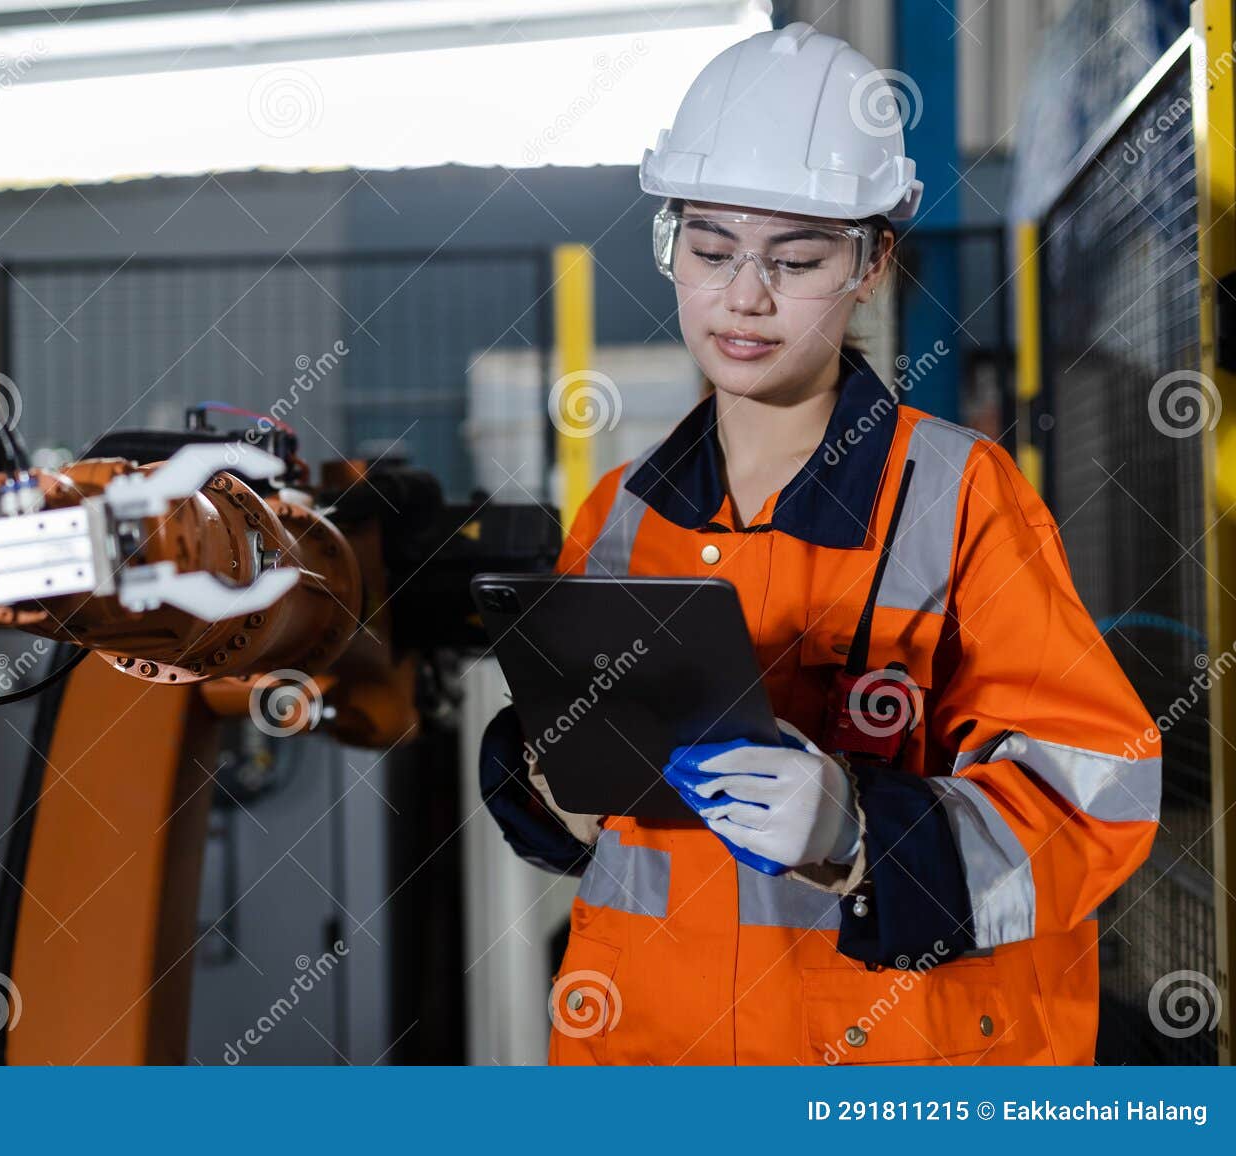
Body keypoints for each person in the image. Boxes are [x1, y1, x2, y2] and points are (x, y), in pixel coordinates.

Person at [478, 22, 1160, 1066]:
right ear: (669, 246)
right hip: (648, 1061)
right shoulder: (620, 512)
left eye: (795, 259)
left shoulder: (960, 497)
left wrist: (860, 834)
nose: (744, 296)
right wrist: (549, 787)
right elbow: (604, 825)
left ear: (870, 263)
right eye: (710, 250)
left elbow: (1095, 797)